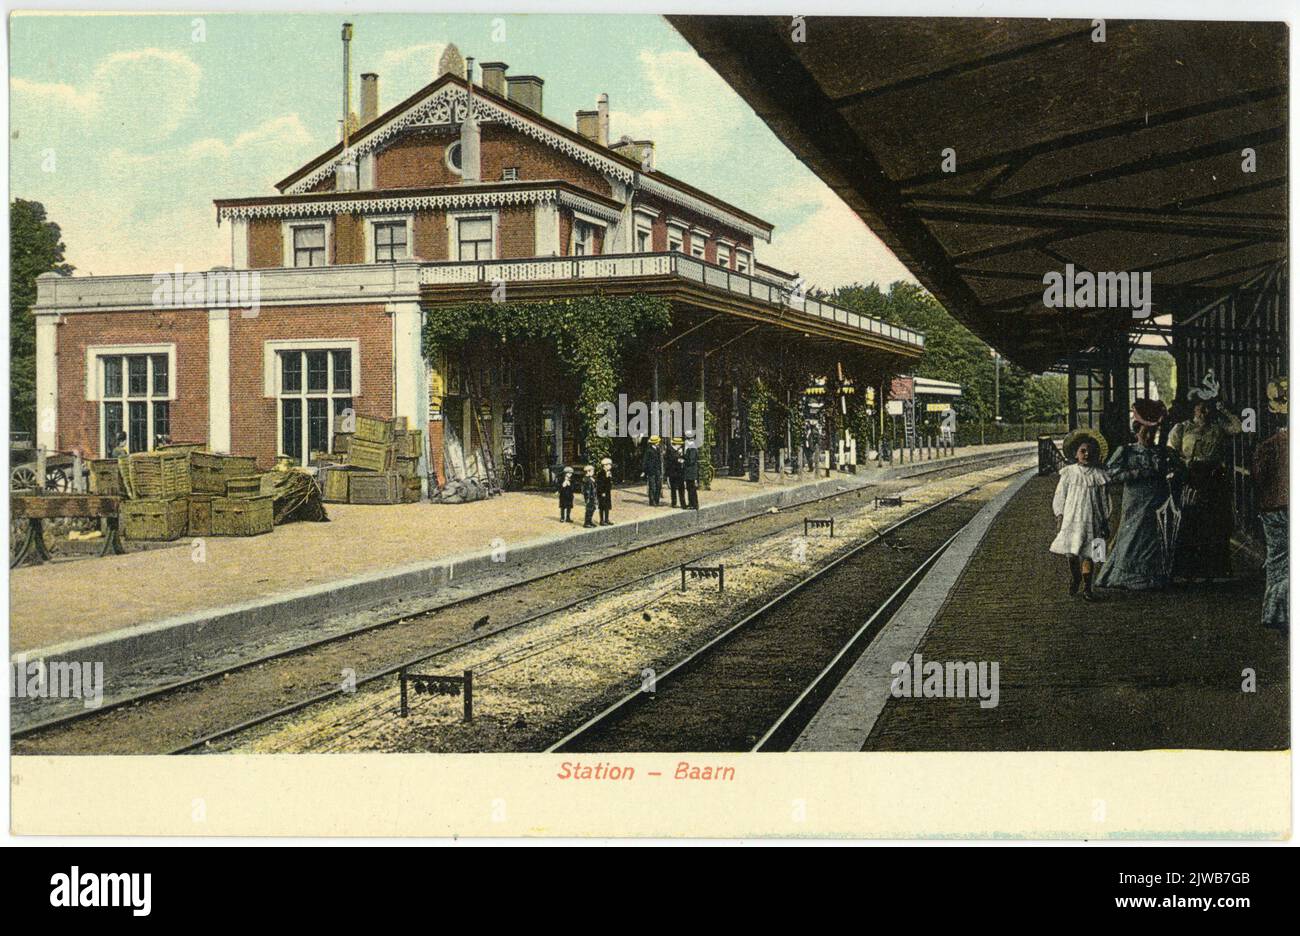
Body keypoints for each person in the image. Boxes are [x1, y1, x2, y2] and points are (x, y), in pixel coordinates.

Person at [1096, 400, 1173, 591]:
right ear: (1136, 431)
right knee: (1132, 533)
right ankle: (1125, 576)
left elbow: (1174, 469)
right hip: (1135, 499)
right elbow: (1109, 474)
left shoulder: (1161, 452)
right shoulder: (1127, 451)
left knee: (1154, 536)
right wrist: (1138, 473)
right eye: (1145, 432)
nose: (1149, 436)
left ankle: (1152, 576)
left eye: (1152, 432)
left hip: (1157, 499)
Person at [1167, 395, 1242, 580]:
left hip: (1213, 478)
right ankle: (1189, 571)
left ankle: (1213, 570)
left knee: (1213, 523)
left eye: (1207, 409)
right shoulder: (1182, 428)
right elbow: (1171, 451)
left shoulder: (1217, 427)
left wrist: (1223, 410)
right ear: (1194, 410)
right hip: (1191, 476)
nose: (1205, 412)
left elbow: (1238, 428)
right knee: (1191, 522)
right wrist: (1183, 465)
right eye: (1201, 408)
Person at [1050, 428, 1111, 600]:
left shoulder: (1100, 475)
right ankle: (1075, 576)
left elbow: (1105, 501)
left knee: (1090, 553)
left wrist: (1105, 520)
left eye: (1090, 451)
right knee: (1071, 551)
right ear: (1076, 454)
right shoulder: (1069, 473)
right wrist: (1059, 514)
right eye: (1082, 451)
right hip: (1072, 517)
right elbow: (1060, 495)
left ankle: (1087, 587)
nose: (1086, 454)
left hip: (1093, 519)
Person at [1252, 377, 1288, 633]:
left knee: (1277, 562)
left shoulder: (1266, 447)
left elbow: (1258, 480)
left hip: (1272, 511)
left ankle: (1274, 612)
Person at [683, 429, 701, 510]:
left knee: (691, 488)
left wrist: (683, 459)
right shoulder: (690, 447)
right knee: (690, 488)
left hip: (691, 471)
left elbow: (691, 460)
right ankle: (691, 503)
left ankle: (693, 504)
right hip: (689, 471)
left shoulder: (692, 448)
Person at [643, 436, 663, 506]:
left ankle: (657, 500)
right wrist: (644, 471)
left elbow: (659, 461)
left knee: (658, 485)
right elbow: (645, 461)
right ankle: (652, 501)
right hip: (651, 471)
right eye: (657, 442)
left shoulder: (658, 449)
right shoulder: (649, 450)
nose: (658, 443)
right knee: (652, 486)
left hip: (657, 470)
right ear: (655, 443)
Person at [666, 437, 686, 508]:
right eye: (680, 444)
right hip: (673, 472)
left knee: (681, 488)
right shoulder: (670, 450)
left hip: (680, 472)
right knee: (673, 489)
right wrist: (678, 458)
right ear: (676, 444)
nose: (680, 445)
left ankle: (683, 503)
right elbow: (671, 460)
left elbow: (683, 458)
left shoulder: (679, 450)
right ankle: (674, 503)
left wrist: (681, 456)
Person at [596, 456, 614, 526]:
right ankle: (601, 520)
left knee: (607, 506)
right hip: (602, 492)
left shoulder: (609, 473)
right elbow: (600, 483)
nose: (610, 466)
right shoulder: (601, 473)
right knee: (602, 506)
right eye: (609, 465)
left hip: (607, 491)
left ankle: (607, 519)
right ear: (605, 465)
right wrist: (602, 492)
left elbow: (609, 483)